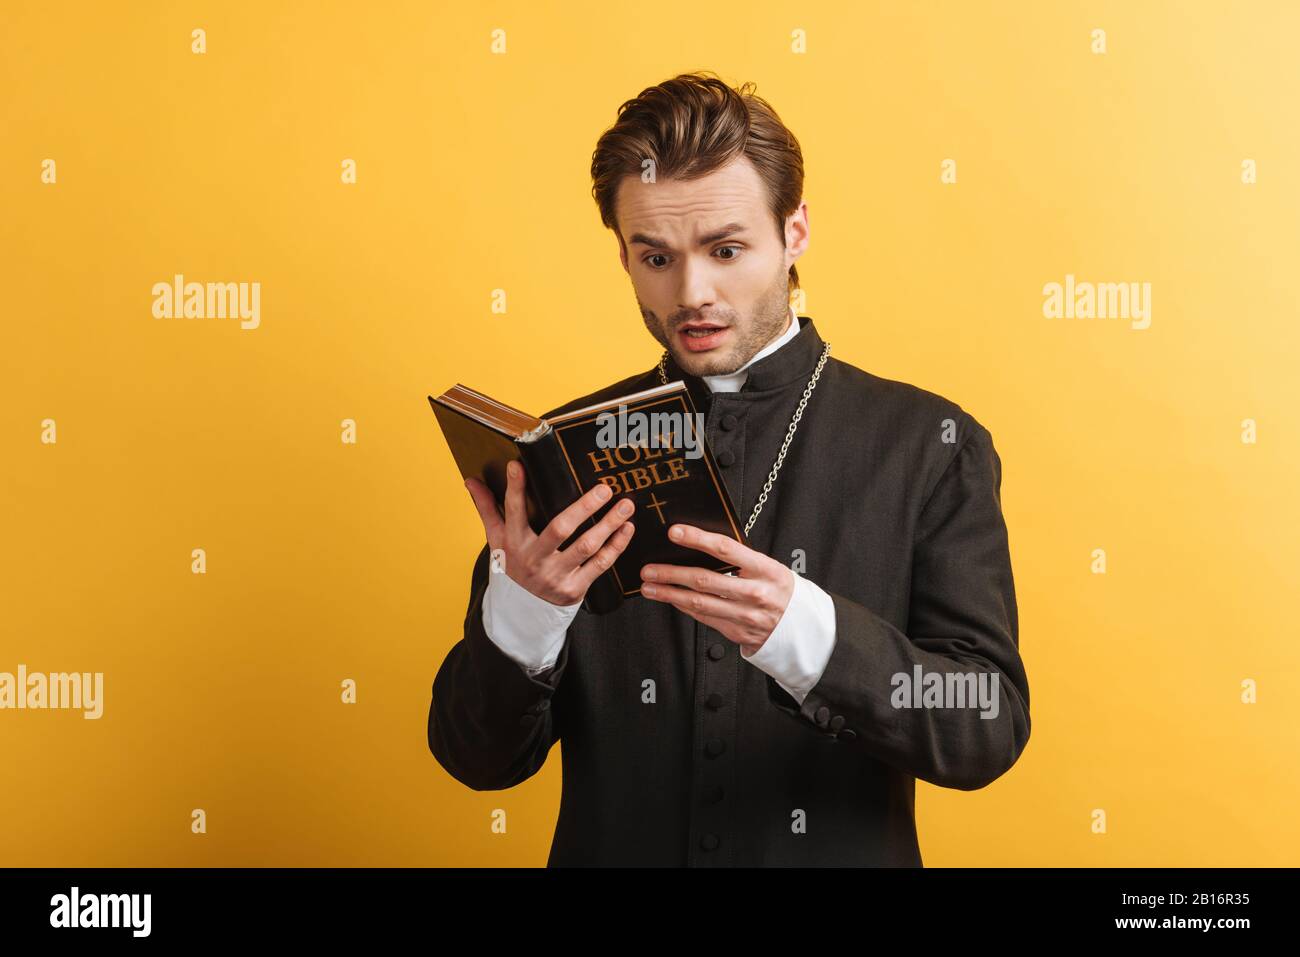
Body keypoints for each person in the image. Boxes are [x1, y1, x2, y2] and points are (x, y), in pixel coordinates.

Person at [427, 71, 1030, 866]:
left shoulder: (931, 444)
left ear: (796, 233)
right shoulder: (566, 453)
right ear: (624, 255)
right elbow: (476, 760)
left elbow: (984, 721)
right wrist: (523, 615)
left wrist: (807, 635)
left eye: (726, 249)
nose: (691, 293)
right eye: (655, 257)